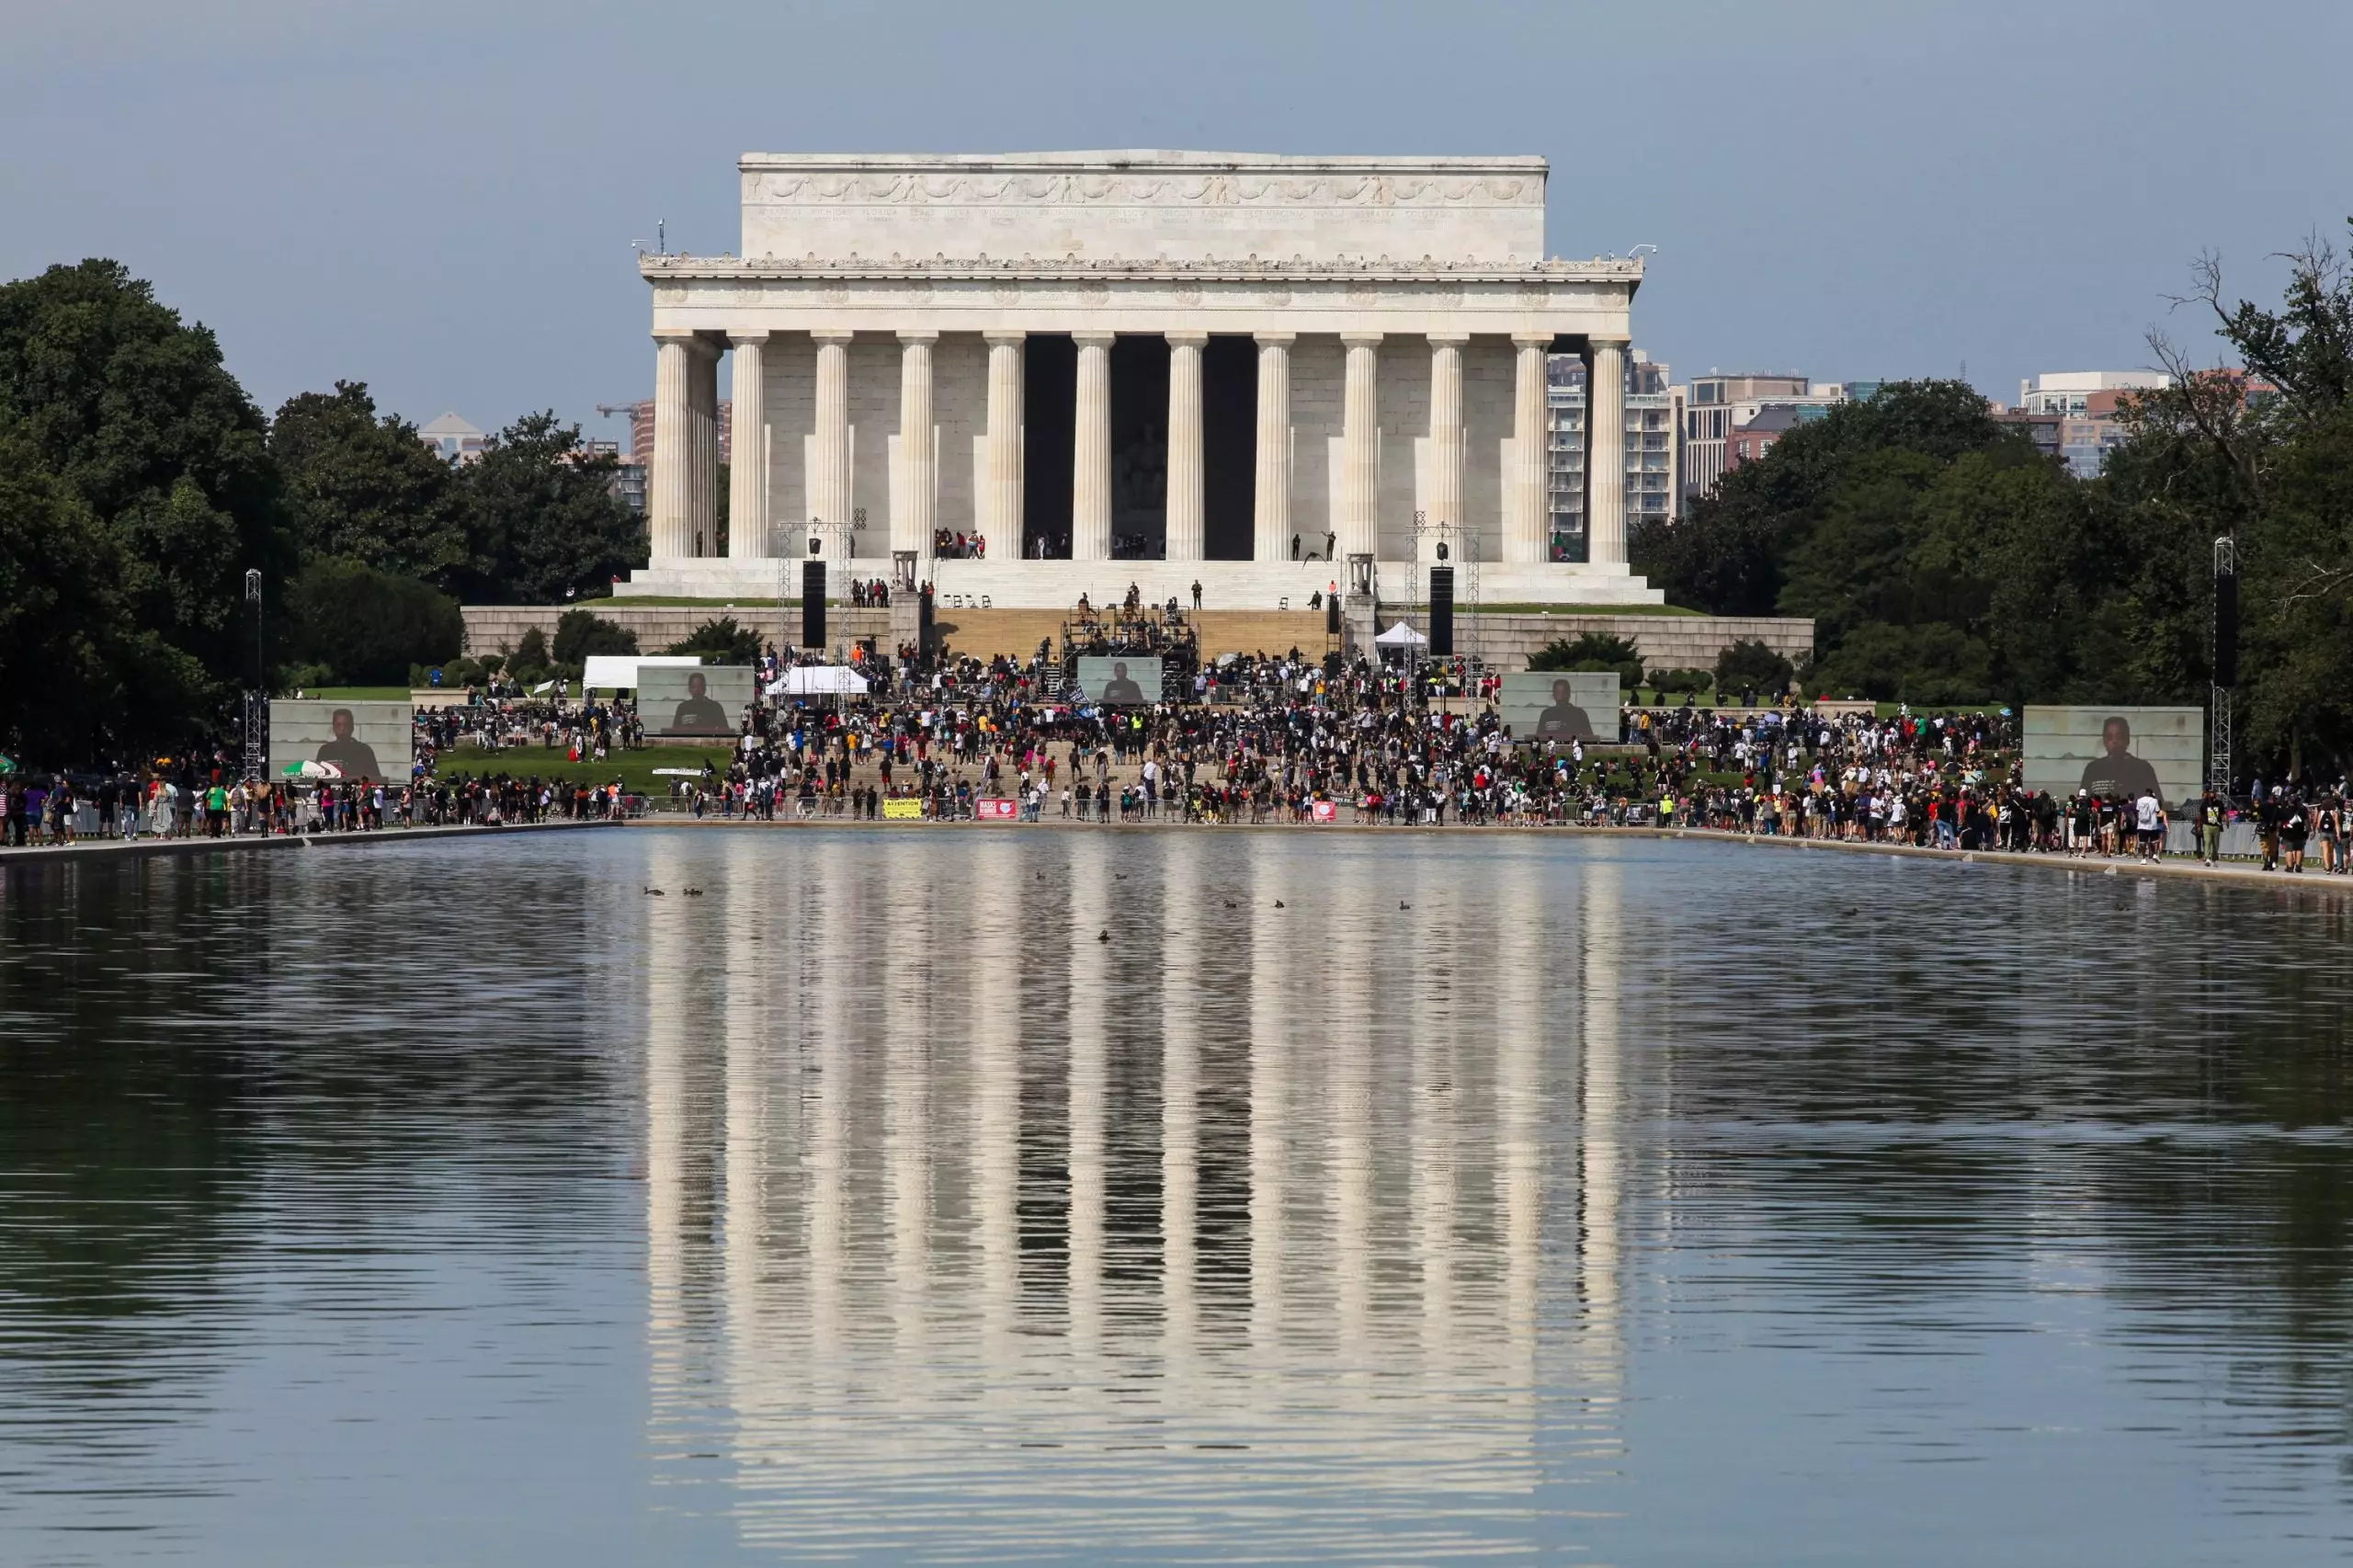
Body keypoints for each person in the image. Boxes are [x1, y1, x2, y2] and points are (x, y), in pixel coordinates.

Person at [2078, 715, 2163, 804]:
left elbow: (2158, 802)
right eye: (2110, 737)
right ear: (2104, 741)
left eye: (2119, 737)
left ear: (2127, 739)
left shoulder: (2143, 768)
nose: (2115, 741)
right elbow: (2082, 801)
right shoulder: (2093, 769)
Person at [315, 707, 385, 781]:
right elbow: (317, 780)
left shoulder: (364, 751)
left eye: (346, 725)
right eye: (339, 725)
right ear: (334, 728)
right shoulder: (325, 751)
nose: (342, 729)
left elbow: (376, 779)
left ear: (352, 727)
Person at [666, 671, 731, 735]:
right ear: (689, 689)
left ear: (705, 688)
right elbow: (674, 731)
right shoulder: (683, 707)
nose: (697, 690)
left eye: (700, 686)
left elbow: (725, 731)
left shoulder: (715, 707)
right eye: (694, 687)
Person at [1534, 677, 1597, 742]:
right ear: (1554, 695)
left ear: (1569, 694)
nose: (1561, 696)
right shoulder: (1546, 714)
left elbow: (1590, 739)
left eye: (1564, 693)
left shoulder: (1580, 714)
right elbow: (1538, 738)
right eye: (1558, 693)